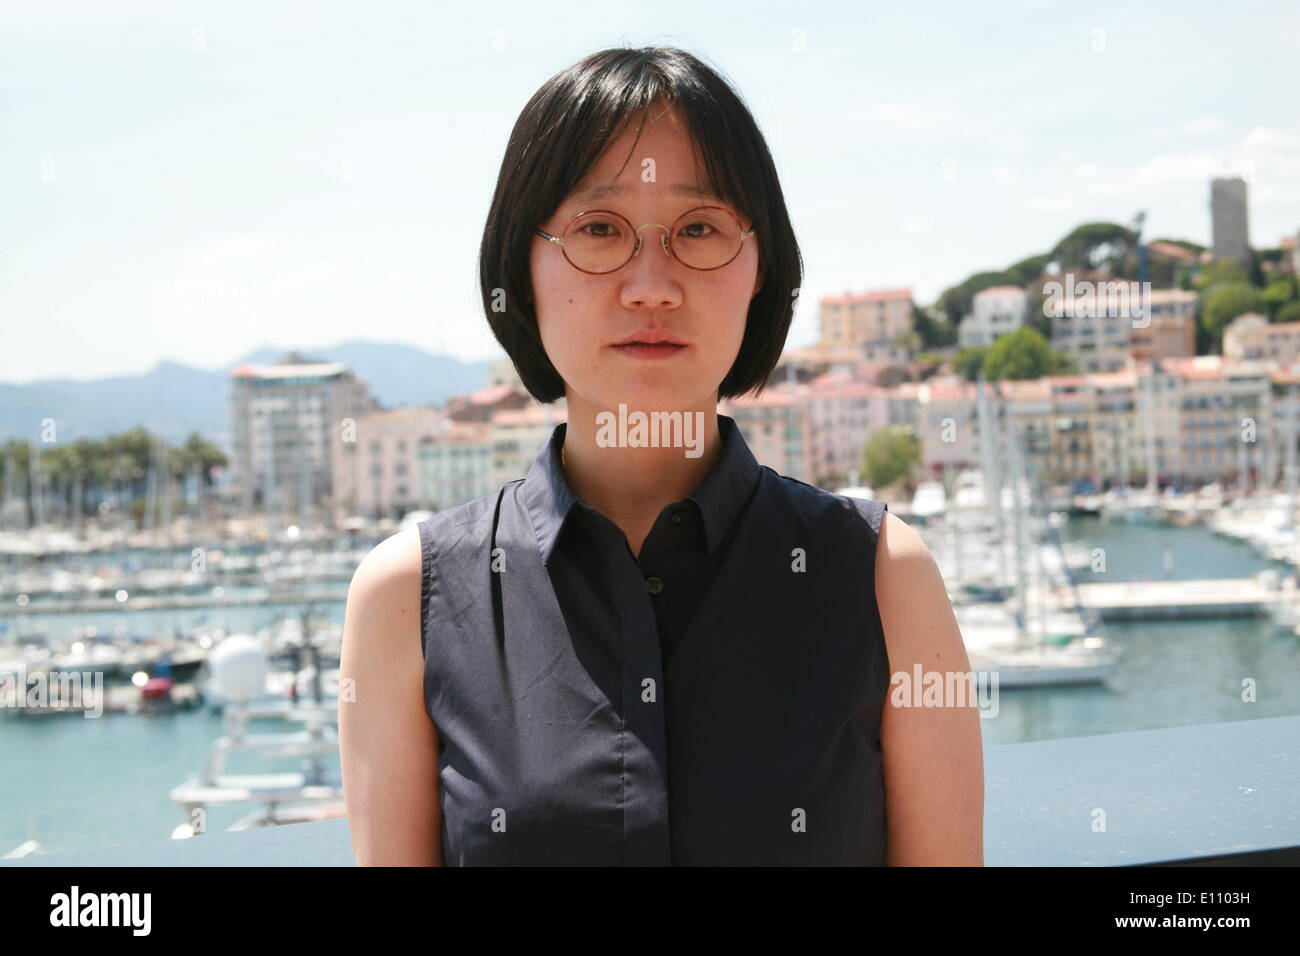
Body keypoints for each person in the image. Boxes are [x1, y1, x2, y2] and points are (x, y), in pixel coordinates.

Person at [339, 45, 983, 866]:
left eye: (700, 229)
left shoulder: (884, 575)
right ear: (519, 269)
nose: (652, 284)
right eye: (598, 229)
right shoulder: (410, 598)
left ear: (762, 271)